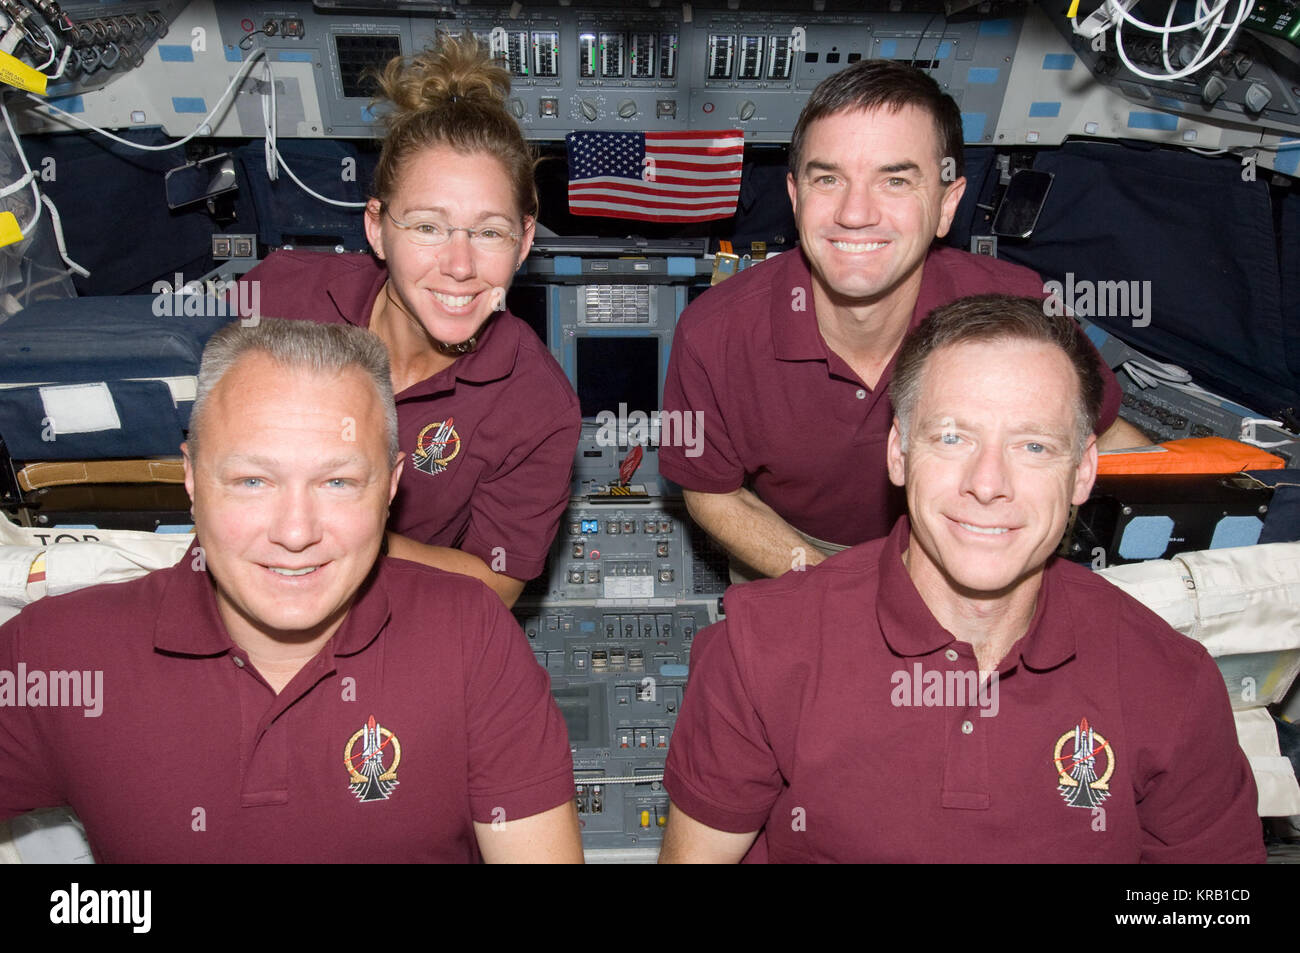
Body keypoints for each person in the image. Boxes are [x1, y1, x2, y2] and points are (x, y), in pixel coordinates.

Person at [658, 295, 1262, 864]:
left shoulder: (1172, 682)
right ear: (898, 453)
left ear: (1082, 472)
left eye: (1032, 446)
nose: (988, 482)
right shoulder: (759, 649)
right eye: (952, 438)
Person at [0, 319, 583, 863]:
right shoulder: (55, 651)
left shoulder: (469, 635)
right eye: (253, 480)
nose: (296, 532)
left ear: (392, 487)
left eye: (338, 482)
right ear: (192, 478)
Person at [659, 60, 1148, 582]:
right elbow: (711, 492)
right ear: (797, 199)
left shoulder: (1024, 308)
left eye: (894, 180)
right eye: (828, 178)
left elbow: (1106, 439)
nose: (855, 212)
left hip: (980, 538)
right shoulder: (712, 332)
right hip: (795, 550)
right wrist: (842, 588)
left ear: (946, 204)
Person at [238, 34, 579, 607]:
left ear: (523, 243)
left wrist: (351, 533)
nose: (460, 266)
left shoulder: (536, 404)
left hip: (392, 615)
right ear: (377, 228)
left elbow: (495, 582)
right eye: (427, 226)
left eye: (489, 232)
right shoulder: (279, 296)